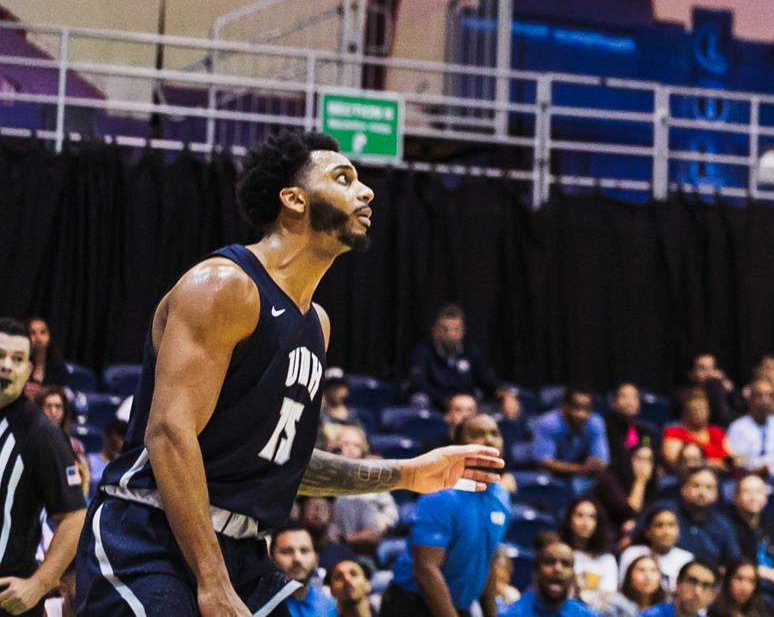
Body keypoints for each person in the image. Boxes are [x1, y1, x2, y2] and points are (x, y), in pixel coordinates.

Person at [73, 133, 502, 617]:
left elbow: (283, 463)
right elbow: (169, 434)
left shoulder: (317, 324)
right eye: (343, 178)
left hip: (240, 551)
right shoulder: (224, 285)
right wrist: (212, 580)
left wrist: (408, 473)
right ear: (294, 200)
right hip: (149, 536)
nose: (367, 191)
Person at [380, 415, 514, 617]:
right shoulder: (441, 495)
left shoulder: (502, 497)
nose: (489, 440)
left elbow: (488, 561)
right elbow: (426, 571)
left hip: (457, 607)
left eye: (495, 433)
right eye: (478, 434)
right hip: (412, 606)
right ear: (459, 446)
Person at [0, 317, 87, 617]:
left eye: (17, 359)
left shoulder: (42, 434)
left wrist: (39, 583)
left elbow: (74, 517)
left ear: (28, 371)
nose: (7, 366)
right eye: (1, 356)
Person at [326, 426, 400, 558]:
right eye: (345, 444)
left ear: (363, 450)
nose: (350, 449)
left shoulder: (371, 480)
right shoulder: (326, 476)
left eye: (356, 446)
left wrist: (380, 526)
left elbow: (391, 511)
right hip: (333, 546)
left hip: (365, 548)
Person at [405, 305, 499, 409]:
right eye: (444, 329)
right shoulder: (422, 352)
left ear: (463, 332)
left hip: (465, 405)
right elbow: (419, 383)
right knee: (419, 399)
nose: (450, 334)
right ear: (435, 331)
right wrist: (447, 400)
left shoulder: (472, 352)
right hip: (436, 403)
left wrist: (504, 394)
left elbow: (488, 380)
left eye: (456, 329)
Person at [724, 474, 774, 592]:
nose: (753, 497)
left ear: (765, 498)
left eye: (758, 492)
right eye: (747, 492)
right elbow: (736, 564)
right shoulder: (727, 525)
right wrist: (771, 575)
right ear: (735, 497)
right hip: (750, 587)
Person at [725, 380, 774, 484]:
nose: (765, 400)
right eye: (760, 395)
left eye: (769, 396)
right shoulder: (737, 427)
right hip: (748, 478)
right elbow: (734, 460)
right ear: (750, 399)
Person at [504, 534, 595, 617]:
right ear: (536, 572)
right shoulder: (512, 614)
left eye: (565, 563)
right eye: (549, 562)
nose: (557, 569)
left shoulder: (586, 615)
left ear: (573, 576)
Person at [559, 497, 619, 608]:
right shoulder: (559, 555)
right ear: (569, 519)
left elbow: (608, 599)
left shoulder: (607, 559)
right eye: (580, 515)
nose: (585, 522)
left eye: (591, 517)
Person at [596, 442, 661, 544]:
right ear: (628, 459)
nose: (643, 465)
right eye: (639, 459)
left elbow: (650, 513)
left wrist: (636, 524)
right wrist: (640, 480)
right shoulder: (610, 478)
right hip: (607, 530)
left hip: (633, 534)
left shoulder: (652, 485)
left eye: (649, 460)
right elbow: (628, 511)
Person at [671, 468, 735, 567]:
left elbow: (733, 562)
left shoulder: (723, 525)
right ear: (683, 489)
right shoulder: (669, 517)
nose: (701, 492)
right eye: (696, 486)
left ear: (716, 494)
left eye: (708, 487)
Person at [619, 505, 693, 591]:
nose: (666, 532)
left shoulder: (687, 559)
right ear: (647, 531)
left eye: (671, 525)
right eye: (659, 525)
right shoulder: (632, 554)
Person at [271, 522, 336, 617]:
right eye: (286, 551)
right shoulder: (256, 607)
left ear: (316, 559)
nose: (297, 559)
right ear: (271, 558)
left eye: (304, 551)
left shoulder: (331, 607)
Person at [662, 391, 731, 470]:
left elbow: (729, 459)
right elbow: (676, 462)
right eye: (695, 410)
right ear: (685, 412)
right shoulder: (674, 432)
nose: (700, 413)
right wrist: (717, 464)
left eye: (704, 409)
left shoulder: (716, 431)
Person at [638, 557, 716, 617]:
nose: (697, 592)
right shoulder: (652, 615)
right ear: (678, 583)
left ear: (711, 595)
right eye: (692, 582)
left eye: (706, 586)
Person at [21, 320, 69, 406]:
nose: (38, 337)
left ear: (49, 336)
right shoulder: (20, 363)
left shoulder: (58, 367)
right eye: (33, 333)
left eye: (42, 332)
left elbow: (59, 396)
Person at [708, 559, 774, 617]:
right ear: (728, 580)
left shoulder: (762, 609)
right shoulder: (714, 611)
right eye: (739, 578)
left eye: (751, 581)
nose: (744, 587)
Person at [606, 552, 667, 617]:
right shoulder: (615, 605)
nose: (648, 576)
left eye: (653, 570)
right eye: (641, 570)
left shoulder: (667, 606)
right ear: (630, 576)